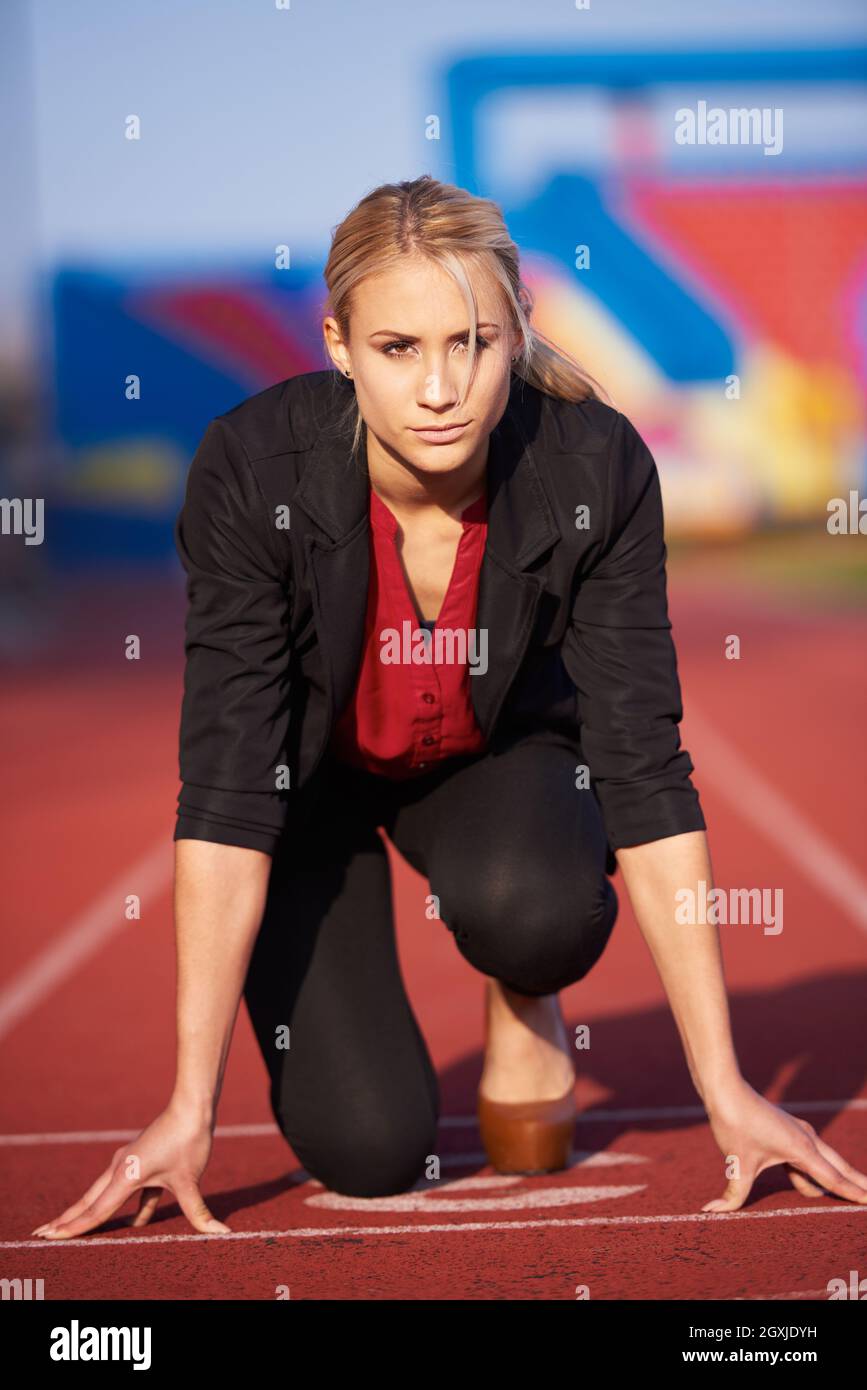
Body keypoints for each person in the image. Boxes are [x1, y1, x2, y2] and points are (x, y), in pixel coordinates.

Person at [33, 175, 867, 1240]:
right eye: (398, 349)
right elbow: (232, 786)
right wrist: (186, 1108)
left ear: (518, 332)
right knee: (373, 1152)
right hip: (312, 796)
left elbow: (643, 768)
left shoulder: (592, 465)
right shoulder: (252, 471)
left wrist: (727, 1092)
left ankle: (525, 989)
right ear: (336, 344)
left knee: (542, 909)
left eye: (472, 341)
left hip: (489, 760)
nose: (441, 387)